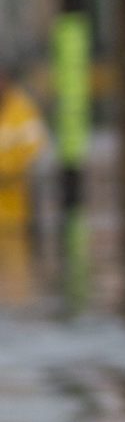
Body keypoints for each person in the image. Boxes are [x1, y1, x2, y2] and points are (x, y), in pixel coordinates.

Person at [0, 62, 49, 305]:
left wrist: (8, 172)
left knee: (17, 275)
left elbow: (35, 151)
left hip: (18, 216)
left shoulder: (23, 111)